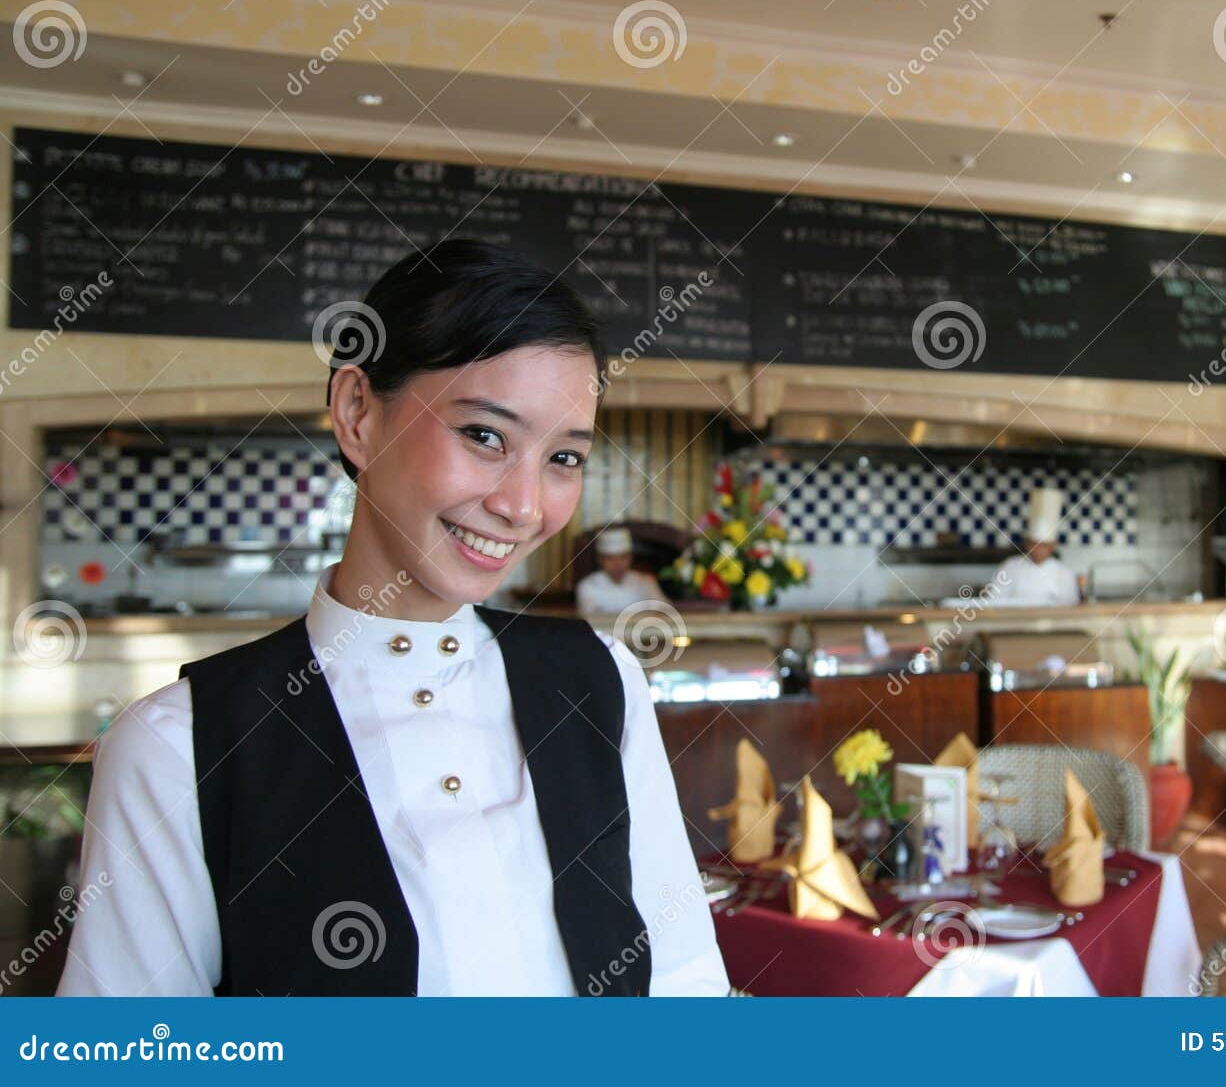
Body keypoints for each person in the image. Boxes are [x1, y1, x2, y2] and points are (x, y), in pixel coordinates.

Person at [58, 239, 728, 997]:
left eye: (564, 458)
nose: (524, 504)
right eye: (483, 435)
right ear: (357, 414)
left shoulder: (600, 677)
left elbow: (682, 978)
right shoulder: (181, 746)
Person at [987, 487, 1082, 606]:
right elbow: (993, 602)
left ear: (1053, 547)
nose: (1038, 550)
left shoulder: (1065, 573)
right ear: (1026, 544)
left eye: (1043, 545)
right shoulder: (1010, 567)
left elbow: (1071, 607)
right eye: (1034, 544)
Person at [575, 527, 665, 614]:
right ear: (600, 559)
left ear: (631, 557)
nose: (617, 564)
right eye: (610, 558)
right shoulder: (586, 586)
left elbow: (664, 611)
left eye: (623, 557)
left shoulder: (646, 582)